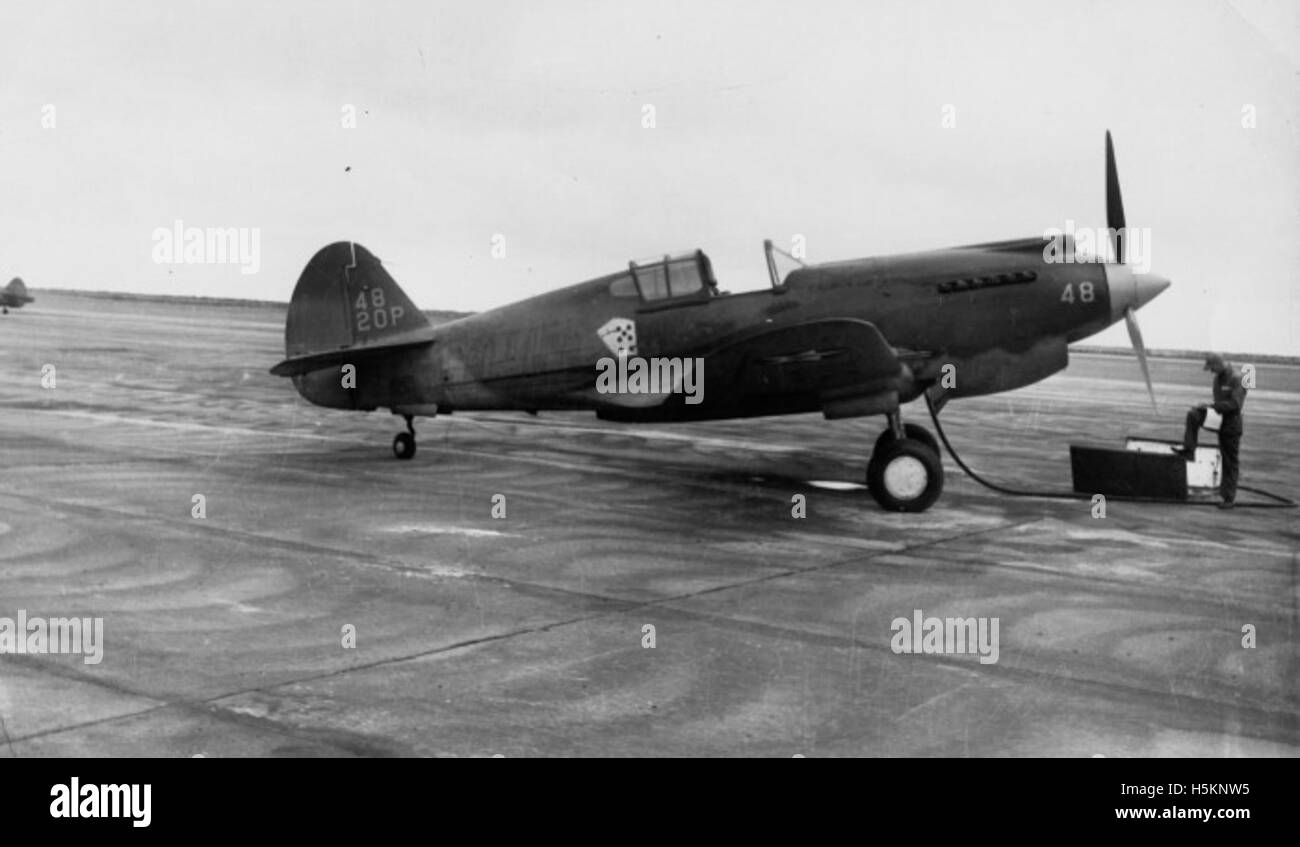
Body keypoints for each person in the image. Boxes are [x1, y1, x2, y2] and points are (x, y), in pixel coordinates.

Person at [1174, 353, 1246, 508]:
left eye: (1211, 368)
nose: (1211, 372)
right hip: (1218, 418)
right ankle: (1189, 450)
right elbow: (1219, 401)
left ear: (1218, 364)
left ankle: (1228, 499)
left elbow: (1235, 405)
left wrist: (1212, 407)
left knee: (1229, 461)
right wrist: (1207, 406)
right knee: (1193, 415)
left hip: (1231, 425)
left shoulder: (1238, 377)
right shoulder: (1218, 378)